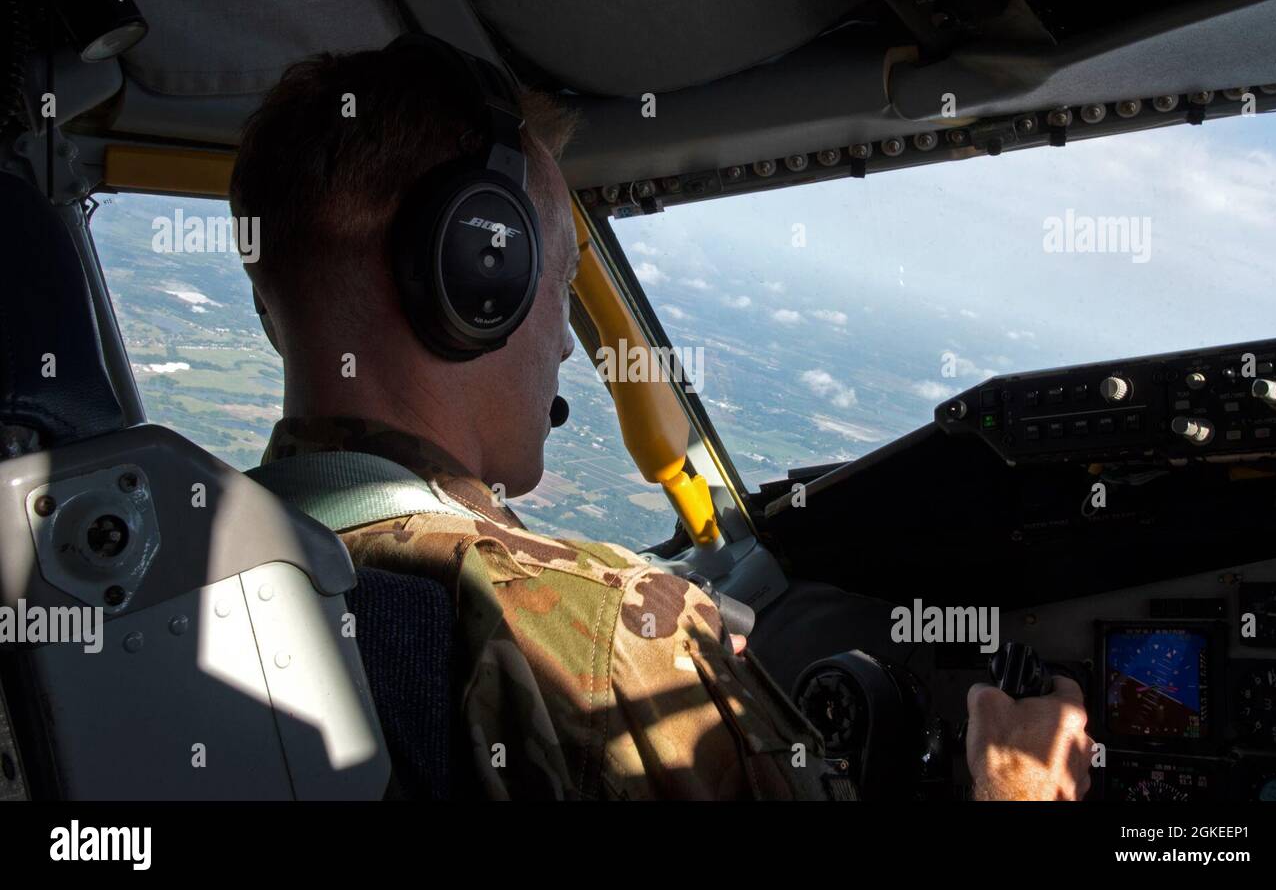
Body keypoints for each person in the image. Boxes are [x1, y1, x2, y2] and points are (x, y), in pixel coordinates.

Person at [229, 41, 1094, 801]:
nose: (568, 344)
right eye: (561, 285)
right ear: (473, 278)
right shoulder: (616, 638)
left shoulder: (178, 568)